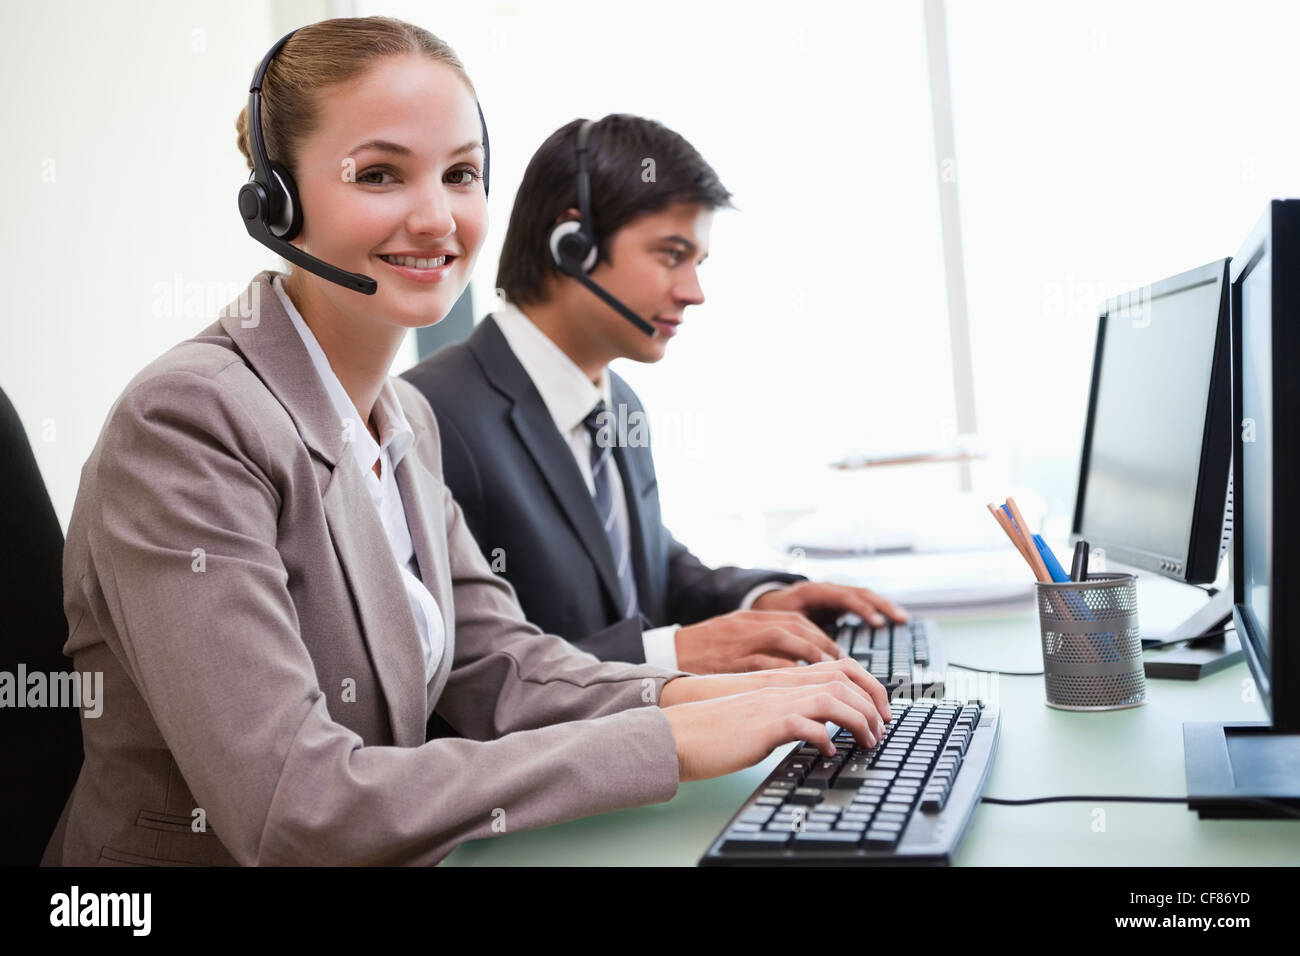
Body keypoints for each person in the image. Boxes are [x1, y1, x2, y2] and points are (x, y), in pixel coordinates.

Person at [40, 16, 890, 867]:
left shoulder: (403, 419)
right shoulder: (188, 422)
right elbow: (295, 807)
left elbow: (503, 668)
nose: (435, 217)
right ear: (277, 202)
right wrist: (668, 743)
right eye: (379, 174)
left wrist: (711, 697)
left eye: (461, 175)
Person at [401, 114, 909, 676]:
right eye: (672, 254)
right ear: (573, 246)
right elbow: (459, 673)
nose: (694, 292)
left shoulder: (617, 402)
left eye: (698, 262)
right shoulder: (430, 417)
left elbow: (647, 571)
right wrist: (667, 654)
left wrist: (761, 599)